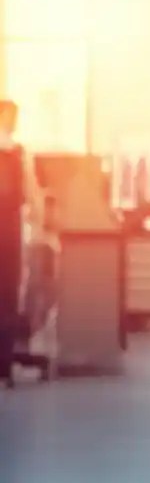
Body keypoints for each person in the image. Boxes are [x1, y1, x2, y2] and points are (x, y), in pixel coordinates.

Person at [0, 101, 43, 384]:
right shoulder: (16, 153)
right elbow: (31, 194)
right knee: (7, 296)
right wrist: (40, 225)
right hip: (9, 231)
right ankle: (3, 367)